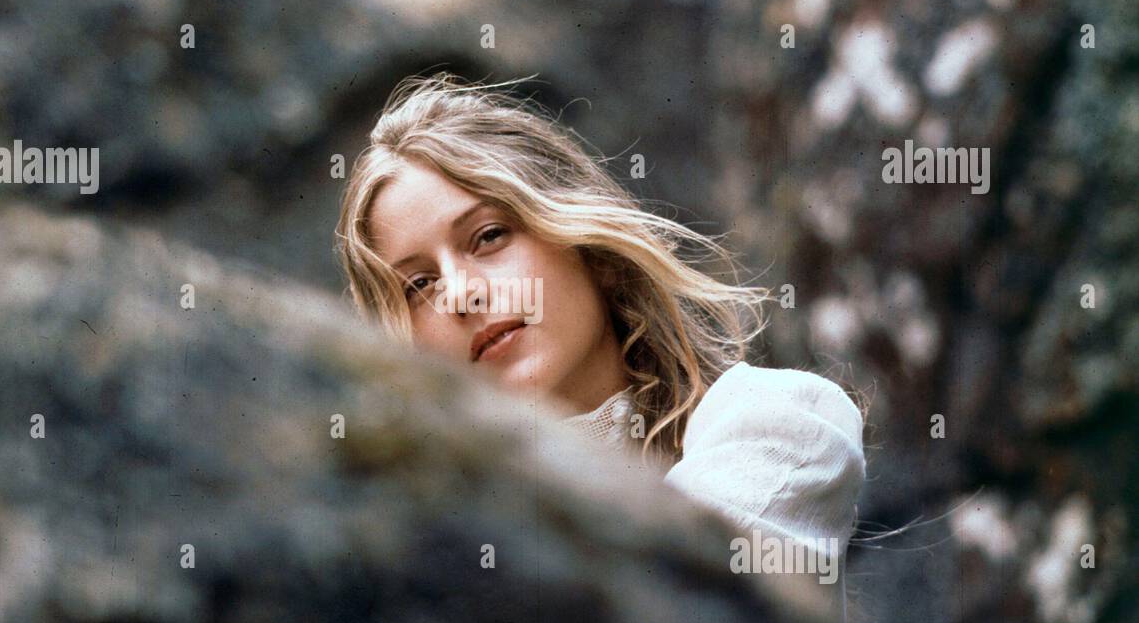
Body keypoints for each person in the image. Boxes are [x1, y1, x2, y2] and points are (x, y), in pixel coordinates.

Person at [334, 73, 865, 563]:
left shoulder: (777, 425)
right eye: (418, 285)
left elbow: (672, 609)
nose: (460, 296)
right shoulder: (427, 543)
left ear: (596, 254)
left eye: (489, 236)